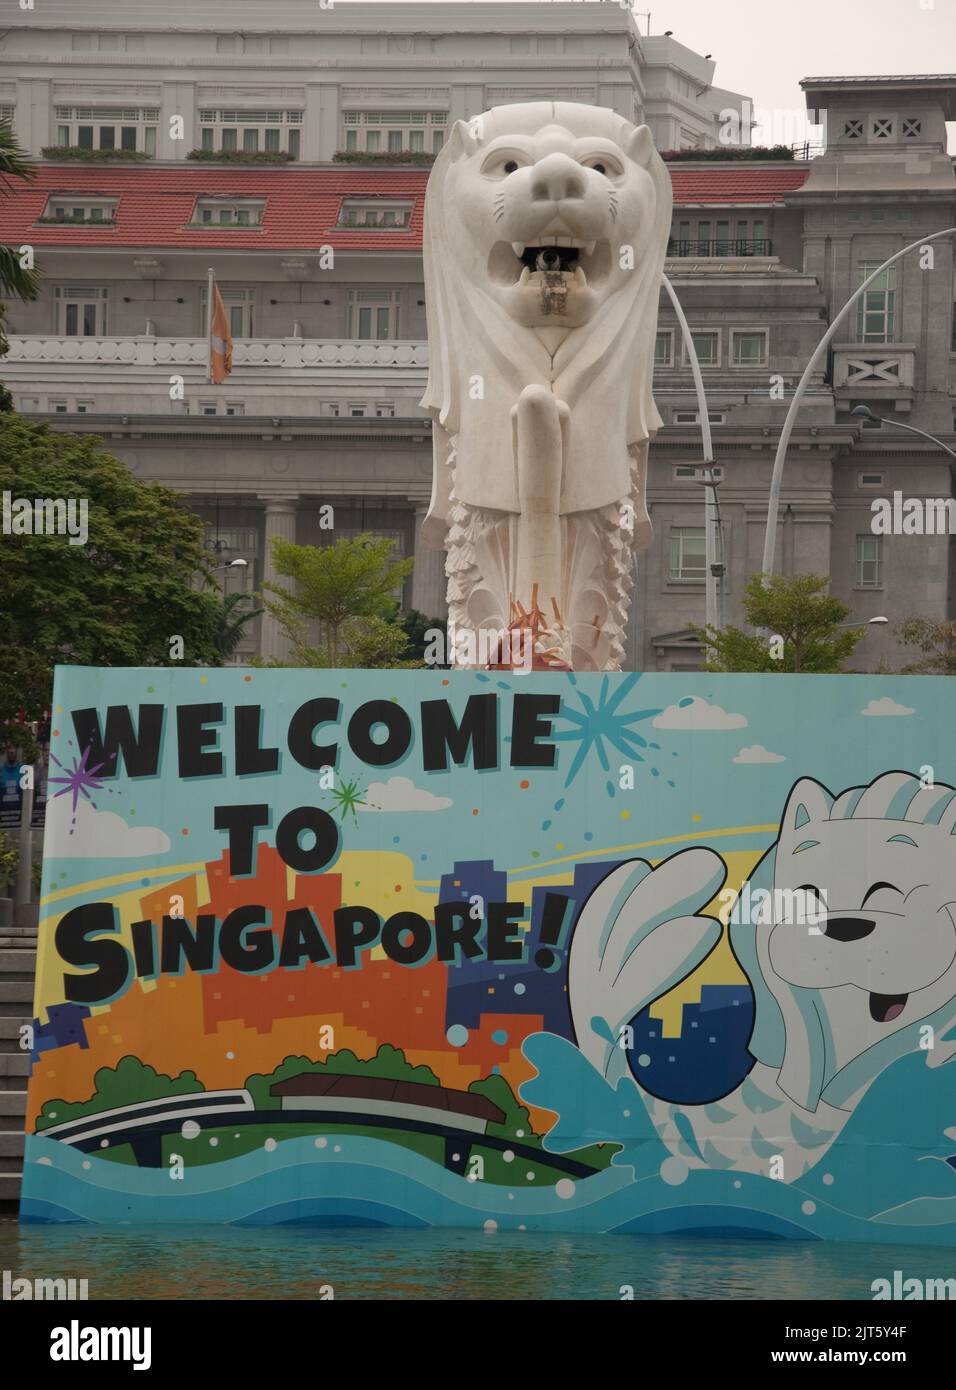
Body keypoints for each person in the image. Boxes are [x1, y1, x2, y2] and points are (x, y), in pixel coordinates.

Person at [0, 745, 22, 827]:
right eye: (9, 750)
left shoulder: (22, 771)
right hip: (3, 817)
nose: (12, 752)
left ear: (17, 751)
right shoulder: (1, 772)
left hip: (19, 817)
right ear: (6, 752)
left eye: (13, 751)